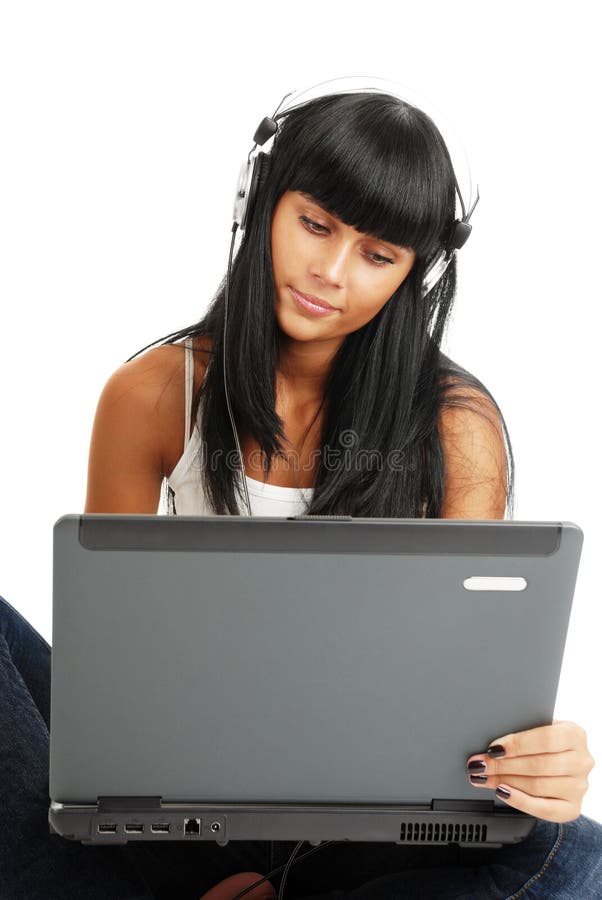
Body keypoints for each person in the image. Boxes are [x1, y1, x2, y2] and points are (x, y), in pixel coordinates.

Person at [1, 81, 601, 899]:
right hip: (181, 807)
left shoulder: (455, 424)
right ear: (261, 204)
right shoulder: (153, 394)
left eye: (378, 256)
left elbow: (466, 705)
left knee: (571, 853)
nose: (331, 272)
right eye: (316, 225)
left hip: (364, 826)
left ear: (413, 273)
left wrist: (537, 767)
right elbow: (109, 682)